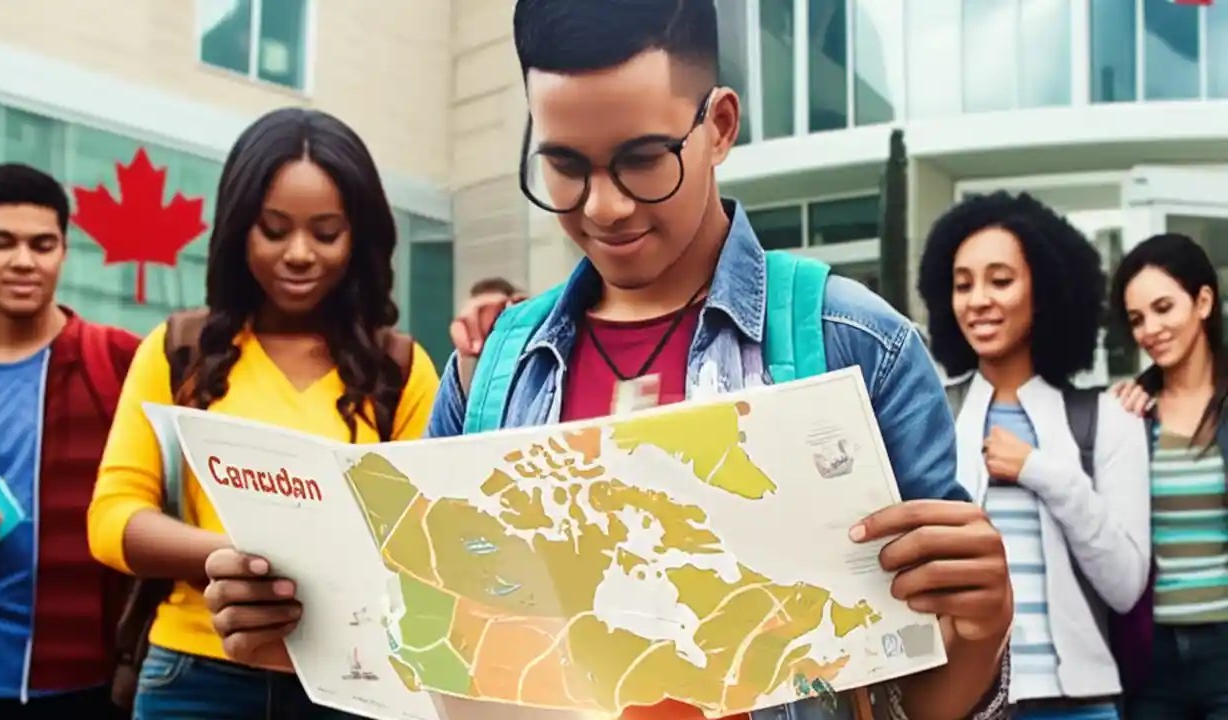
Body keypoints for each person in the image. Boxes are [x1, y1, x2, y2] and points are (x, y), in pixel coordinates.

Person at [201, 2, 1015, 719]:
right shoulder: (490, 374)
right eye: (564, 166)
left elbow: (923, 696)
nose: (604, 206)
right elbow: (431, 661)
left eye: (641, 160)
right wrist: (298, 631)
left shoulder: (856, 345)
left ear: (721, 125)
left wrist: (982, 627)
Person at [86, 108, 440, 719]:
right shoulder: (177, 353)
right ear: (237, 229)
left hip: (355, 679)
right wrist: (233, 559)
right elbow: (112, 517)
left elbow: (426, 533)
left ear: (360, 236)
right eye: (274, 230)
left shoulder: (402, 370)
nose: (299, 254)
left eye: (326, 232)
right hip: (194, 678)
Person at [917, 192, 1151, 719]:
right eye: (962, 284)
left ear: (1042, 291)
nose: (978, 299)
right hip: (962, 700)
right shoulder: (928, 414)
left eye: (1000, 280)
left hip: (1079, 704)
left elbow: (1124, 585)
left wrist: (1040, 471)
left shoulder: (1108, 420)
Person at [0, 164, 139, 717]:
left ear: (63, 250)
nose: (24, 261)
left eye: (43, 244)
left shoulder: (119, 361)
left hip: (90, 677)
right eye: (2, 242)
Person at [1109, 233, 1228, 719]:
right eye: (1138, 318)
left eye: (1163, 308)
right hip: (1150, 655)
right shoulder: (1128, 414)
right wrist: (1120, 423)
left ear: (1203, 301)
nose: (1150, 329)